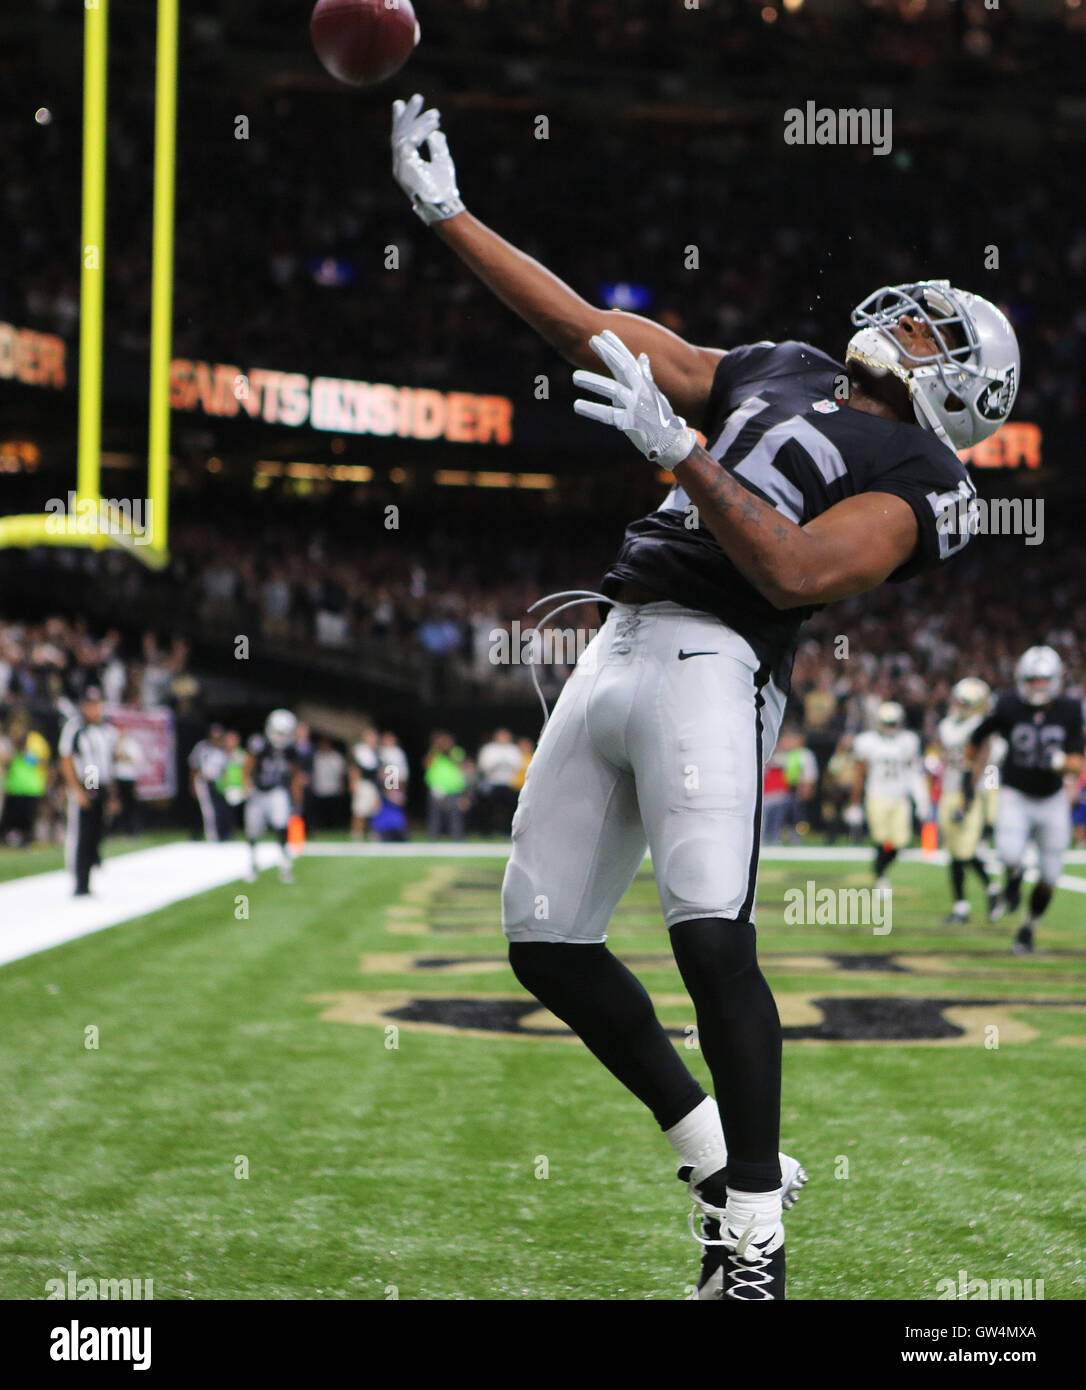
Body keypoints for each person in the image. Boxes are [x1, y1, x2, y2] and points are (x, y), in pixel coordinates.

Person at [390, 94, 1019, 1299]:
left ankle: (755, 1248)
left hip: (717, 664)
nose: (907, 326)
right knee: (544, 941)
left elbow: (792, 569)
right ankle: (724, 1161)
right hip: (620, 637)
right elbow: (592, 330)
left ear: (963, 399)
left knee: (708, 937)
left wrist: (678, 450)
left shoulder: (931, 478)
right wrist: (450, 215)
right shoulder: (784, 364)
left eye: (939, 336)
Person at [966, 647, 1084, 954]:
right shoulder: (1007, 705)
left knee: (1049, 875)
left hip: (1052, 798)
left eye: (1044, 679)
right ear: (1022, 680)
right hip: (1016, 794)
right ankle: (1013, 880)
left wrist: (1065, 764)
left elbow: (1077, 761)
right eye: (1032, 680)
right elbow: (977, 737)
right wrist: (971, 773)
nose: (1038, 686)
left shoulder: (1070, 709)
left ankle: (1028, 929)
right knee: (1008, 855)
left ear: (1055, 680)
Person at [935, 677, 998, 924]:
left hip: (970, 792)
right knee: (954, 852)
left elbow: (982, 765)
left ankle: (970, 901)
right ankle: (974, 898)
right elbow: (942, 755)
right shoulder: (947, 725)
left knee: (966, 851)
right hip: (949, 790)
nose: (958, 704)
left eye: (964, 701)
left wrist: (969, 798)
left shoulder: (980, 727)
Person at [850, 702, 931, 891]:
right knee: (881, 839)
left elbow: (913, 772)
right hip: (876, 795)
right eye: (888, 723)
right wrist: (854, 804)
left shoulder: (909, 740)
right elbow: (859, 774)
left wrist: (921, 799)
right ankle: (880, 877)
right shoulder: (867, 741)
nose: (891, 727)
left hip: (900, 796)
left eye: (894, 723)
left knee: (901, 841)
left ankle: (879, 869)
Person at [58, 687, 118, 896]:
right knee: (83, 831)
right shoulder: (76, 727)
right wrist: (77, 791)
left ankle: (91, 867)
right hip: (87, 778)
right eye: (91, 705)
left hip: (97, 778)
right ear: (84, 707)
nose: (95, 710)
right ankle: (80, 881)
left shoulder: (105, 729)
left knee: (96, 830)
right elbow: (66, 760)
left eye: (98, 705)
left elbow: (107, 763)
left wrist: (111, 794)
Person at [243, 709, 306, 884]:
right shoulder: (259, 744)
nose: (281, 737)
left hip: (277, 790)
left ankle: (285, 864)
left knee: (281, 825)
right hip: (258, 791)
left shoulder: (291, 750)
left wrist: (297, 799)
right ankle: (252, 864)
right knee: (253, 831)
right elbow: (248, 766)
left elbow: (294, 775)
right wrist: (245, 785)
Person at [476, 728, 523, 836]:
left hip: (509, 783)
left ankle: (508, 831)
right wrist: (497, 764)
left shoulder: (513, 749)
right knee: (488, 808)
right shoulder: (489, 749)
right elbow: (483, 765)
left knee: (511, 809)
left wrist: (506, 763)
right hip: (493, 783)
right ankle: (486, 832)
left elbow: (518, 765)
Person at [350, 728, 382, 840]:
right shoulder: (360, 751)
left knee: (374, 810)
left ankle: (373, 834)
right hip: (363, 783)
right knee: (360, 811)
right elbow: (355, 768)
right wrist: (353, 783)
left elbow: (379, 770)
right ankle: (356, 834)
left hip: (374, 785)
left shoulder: (377, 752)